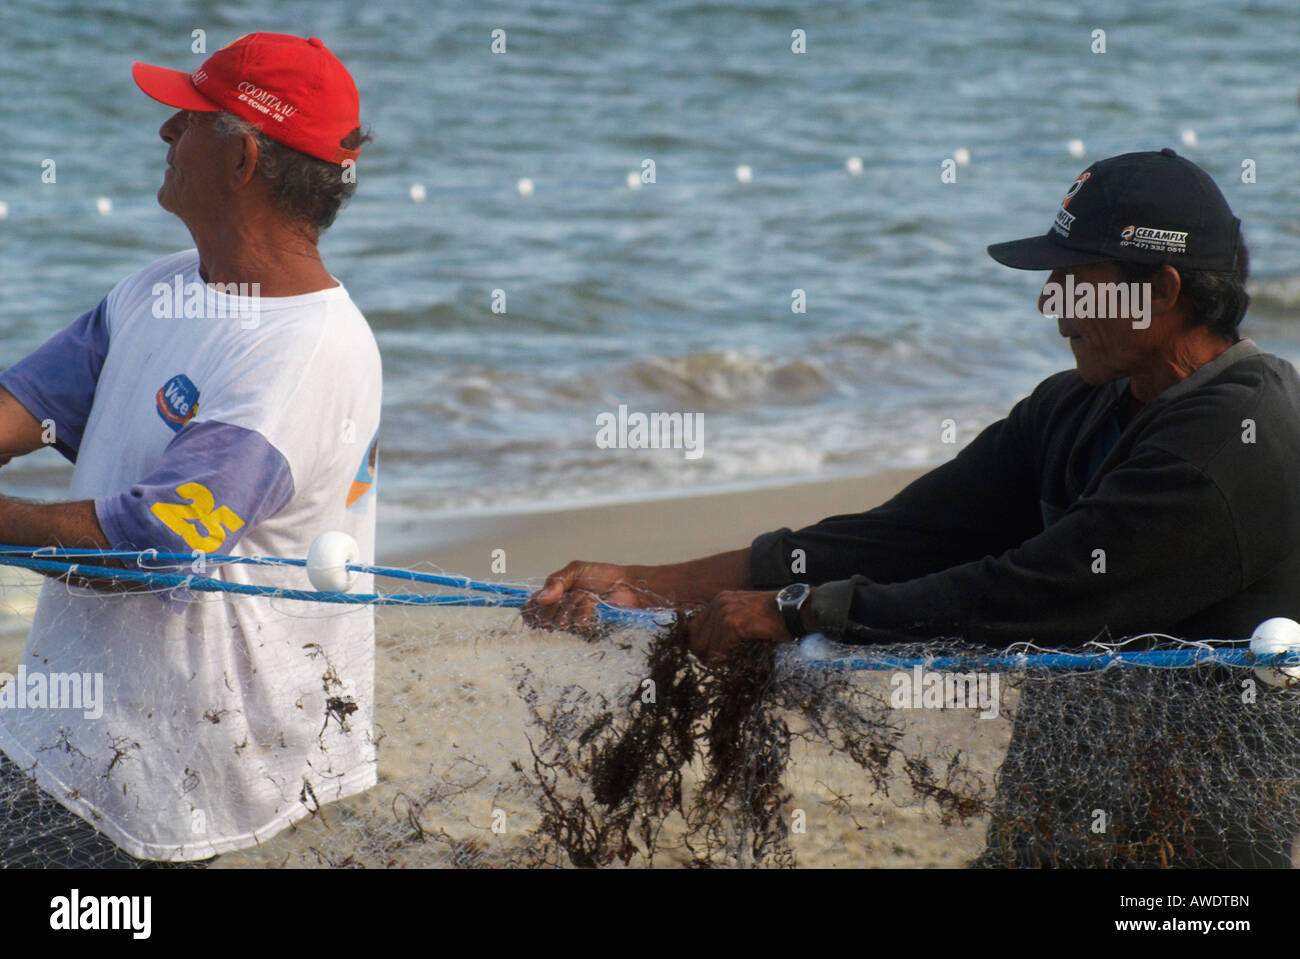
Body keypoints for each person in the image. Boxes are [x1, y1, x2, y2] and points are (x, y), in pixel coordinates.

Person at [526, 150, 1300, 866]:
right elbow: (899, 538)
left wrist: (804, 611)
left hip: (1200, 845)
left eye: (1072, 277)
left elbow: (1036, 592)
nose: (1049, 301)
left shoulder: (1237, 441)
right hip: (1058, 813)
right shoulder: (1075, 407)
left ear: (1161, 290)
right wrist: (643, 583)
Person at [0, 32, 382, 867]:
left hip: (194, 789)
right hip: (63, 732)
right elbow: (25, 404)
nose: (165, 131)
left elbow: (154, 546)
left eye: (190, 116)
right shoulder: (165, 284)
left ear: (243, 158)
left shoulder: (306, 353)